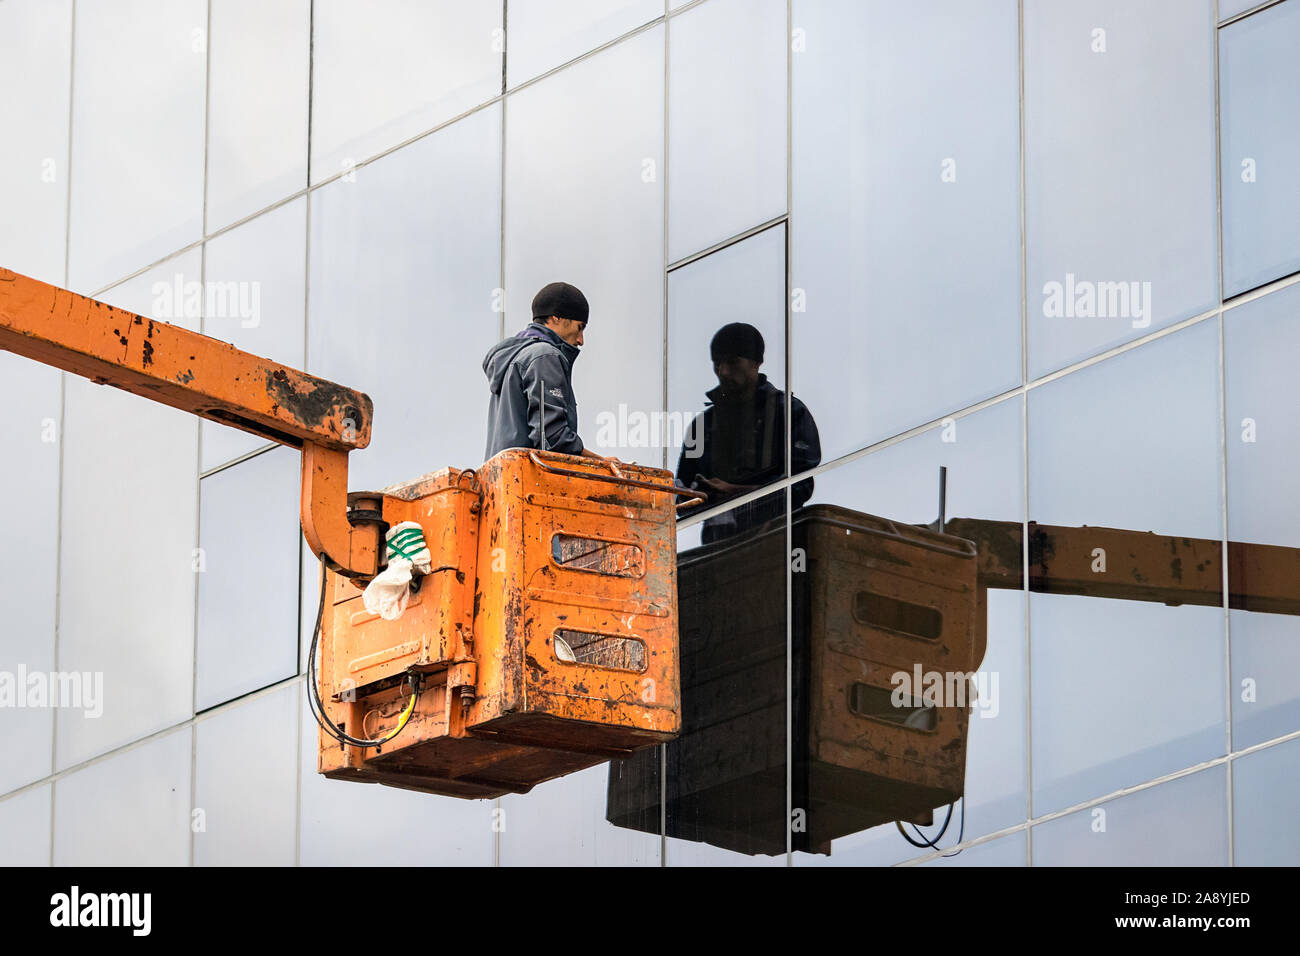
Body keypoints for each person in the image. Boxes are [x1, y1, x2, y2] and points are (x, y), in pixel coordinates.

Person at [676, 322, 821, 543]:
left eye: (732, 362)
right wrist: (701, 496)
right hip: (715, 552)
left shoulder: (788, 412)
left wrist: (733, 491)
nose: (723, 371)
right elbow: (680, 502)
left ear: (756, 363)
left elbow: (800, 486)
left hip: (776, 546)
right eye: (717, 364)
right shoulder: (702, 425)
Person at [482, 281, 611, 462]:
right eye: (580, 327)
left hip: (506, 482)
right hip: (530, 484)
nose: (581, 340)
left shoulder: (514, 359)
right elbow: (551, 439)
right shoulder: (544, 356)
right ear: (555, 318)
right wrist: (603, 463)